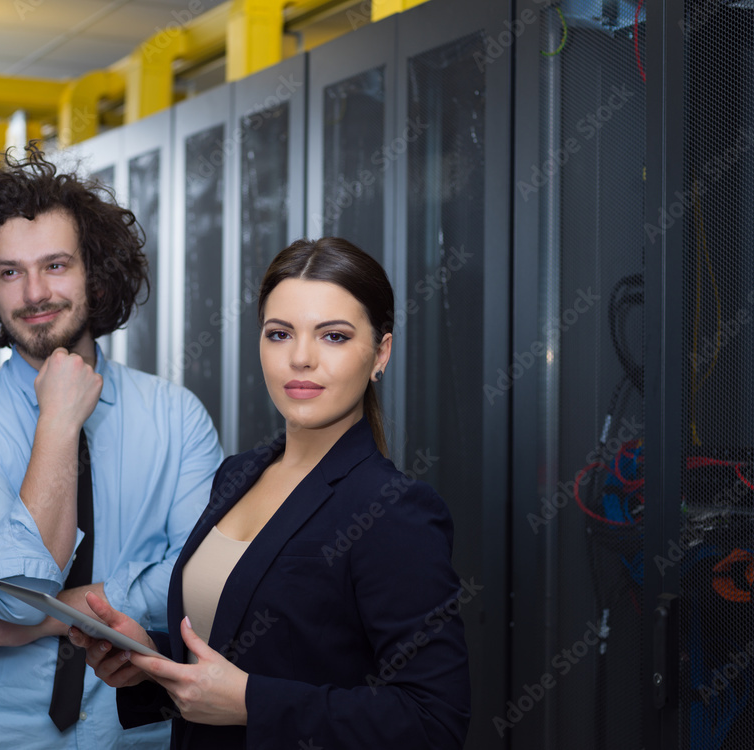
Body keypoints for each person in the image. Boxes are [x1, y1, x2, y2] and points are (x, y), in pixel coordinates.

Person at [69, 237, 471, 748]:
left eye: (334, 337)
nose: (300, 358)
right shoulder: (236, 475)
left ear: (381, 353)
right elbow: (260, 648)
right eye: (280, 334)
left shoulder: (394, 508)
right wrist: (154, 659)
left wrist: (250, 703)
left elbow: (434, 721)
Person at [0, 144, 222, 750]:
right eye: (9, 272)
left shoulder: (176, 416)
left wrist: (58, 613)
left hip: (140, 732)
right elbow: (10, 595)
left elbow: (199, 581)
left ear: (94, 274)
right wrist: (57, 421)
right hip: (0, 734)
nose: (34, 293)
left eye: (56, 265)